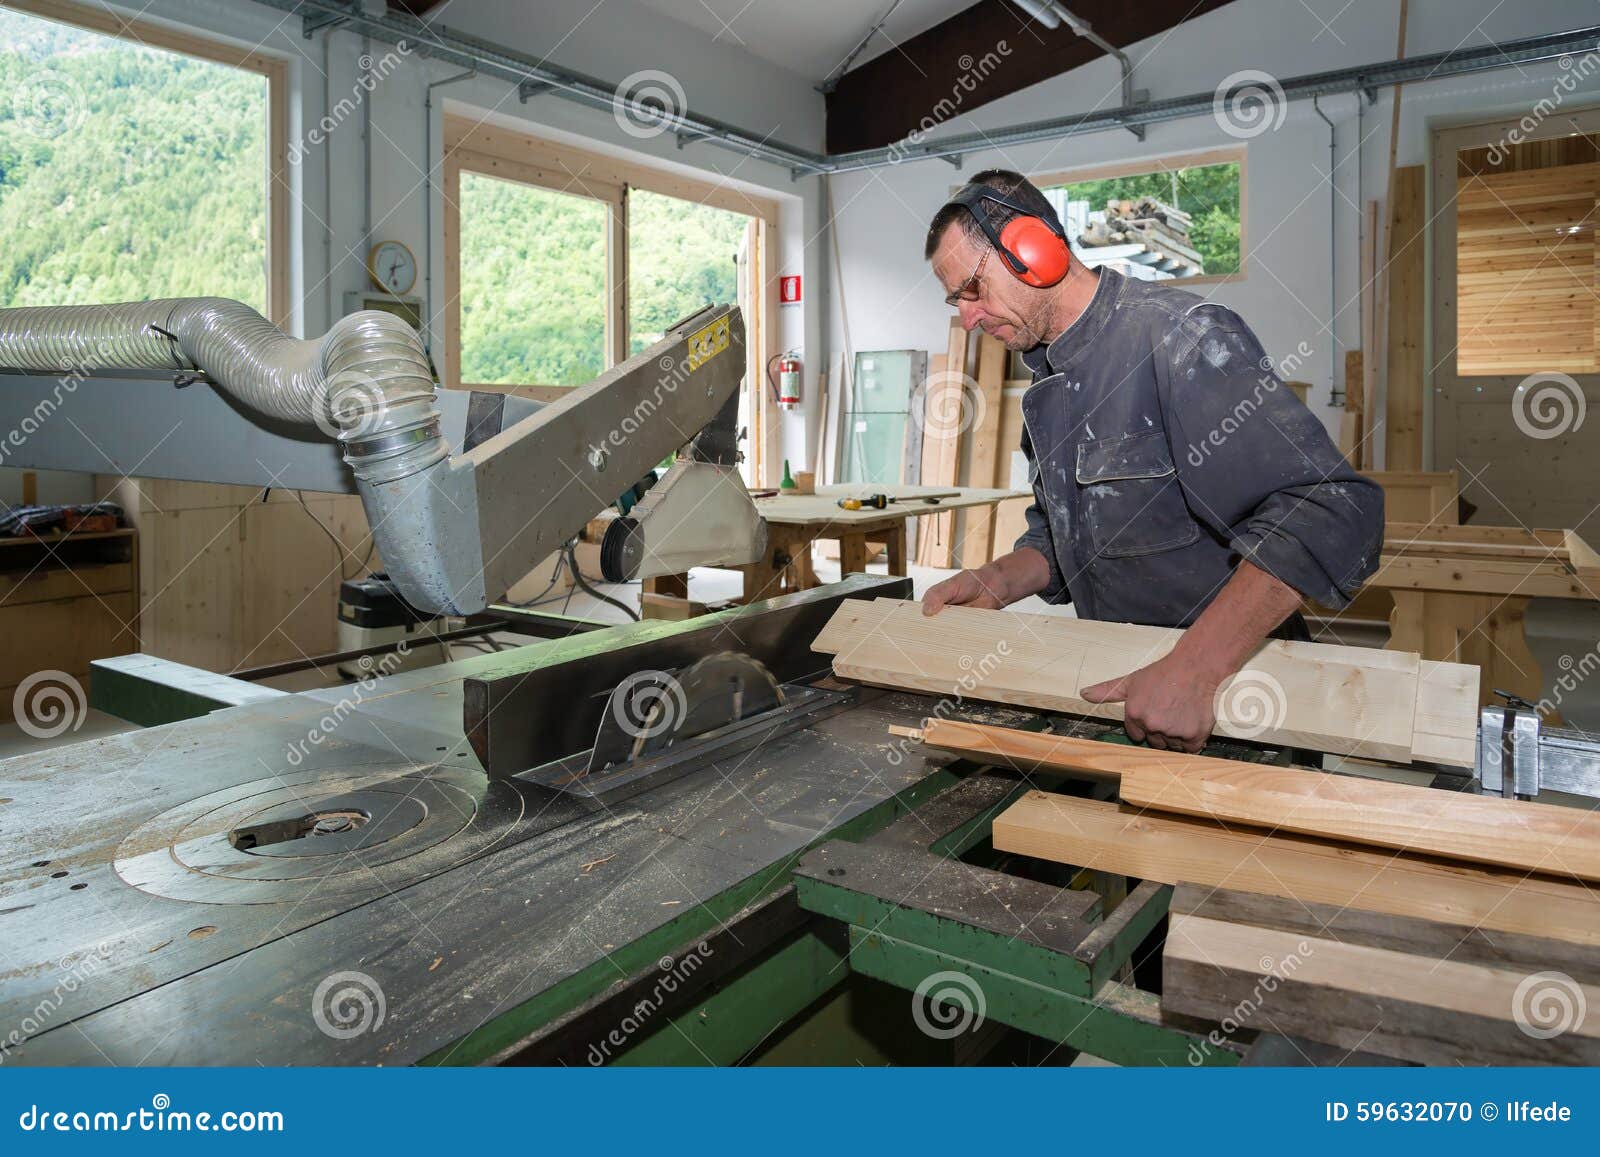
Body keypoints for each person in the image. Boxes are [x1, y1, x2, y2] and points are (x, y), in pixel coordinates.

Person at [921, 169, 1383, 753]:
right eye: (954, 300)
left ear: (1030, 251)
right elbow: (1070, 538)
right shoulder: (1047, 381)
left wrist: (1197, 668)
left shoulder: (1179, 339)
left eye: (972, 289)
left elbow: (1329, 510)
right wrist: (996, 581)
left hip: (1231, 698)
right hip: (1129, 687)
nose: (967, 318)